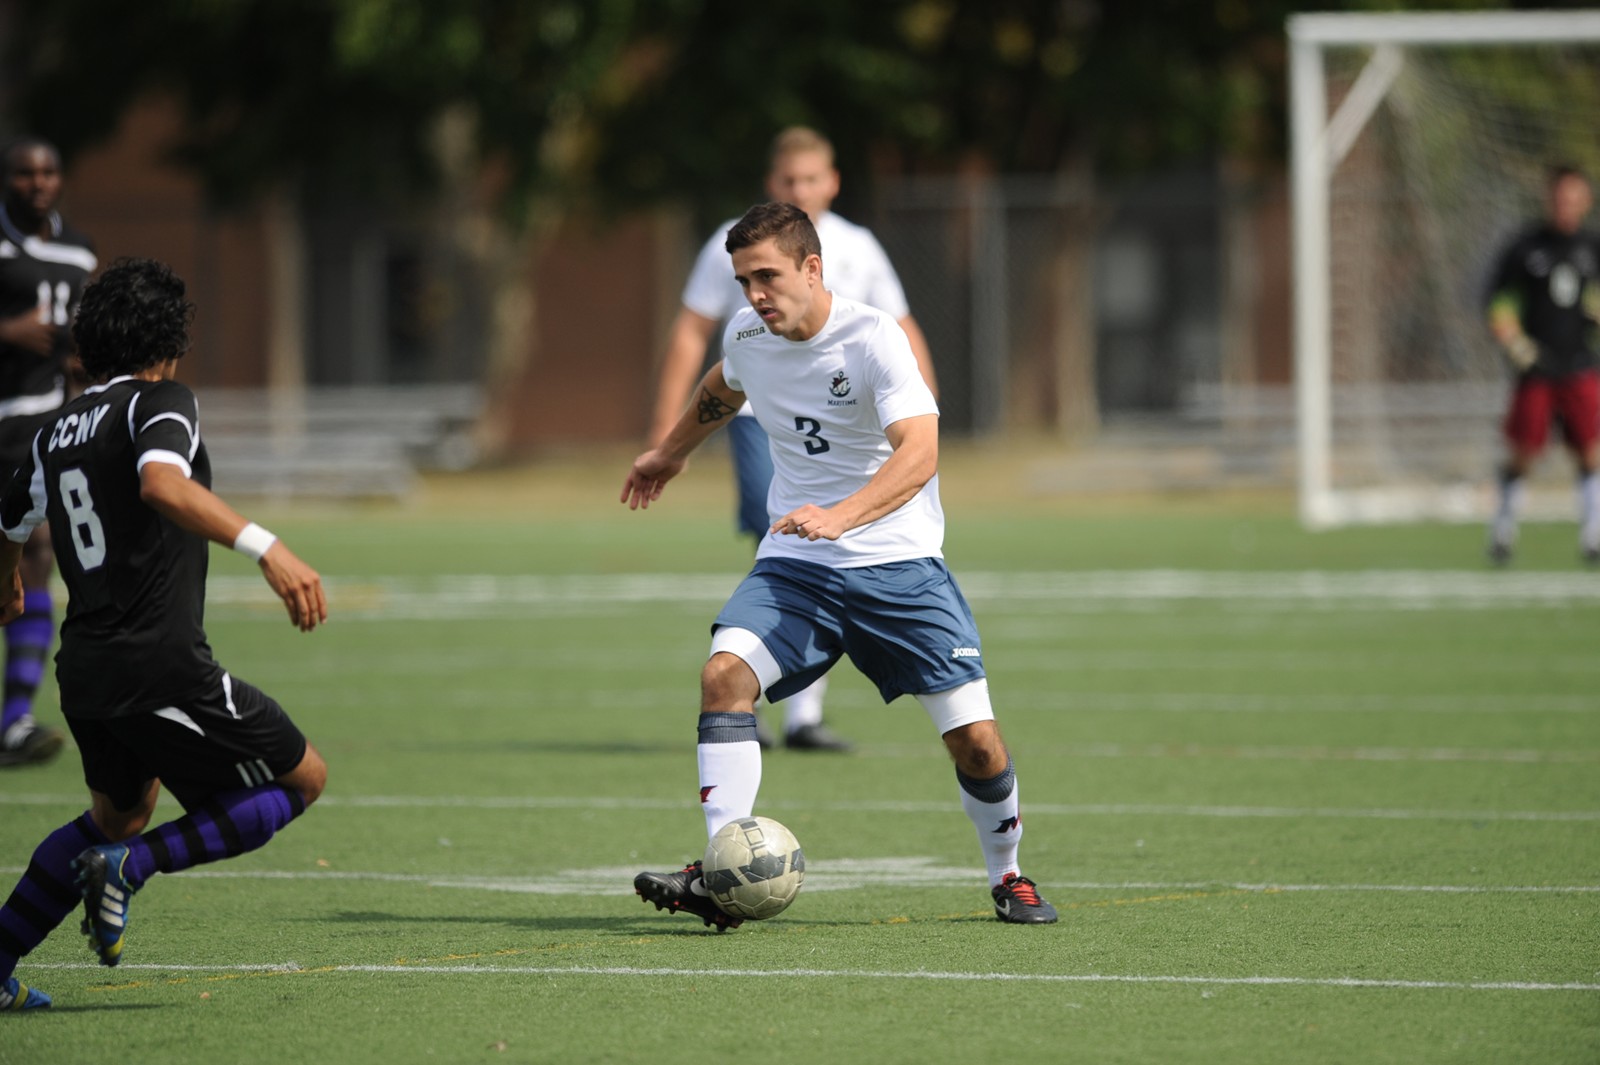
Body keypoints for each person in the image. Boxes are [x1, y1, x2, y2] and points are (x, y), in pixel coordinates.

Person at [622, 202, 1056, 929]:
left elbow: (920, 453)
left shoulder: (873, 337)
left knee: (976, 743)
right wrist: (670, 452)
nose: (755, 293)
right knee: (724, 674)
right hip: (797, 565)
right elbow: (721, 388)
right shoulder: (750, 334)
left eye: (768, 275)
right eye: (743, 279)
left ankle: (1007, 873)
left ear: (812, 268)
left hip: (899, 565)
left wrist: (843, 515)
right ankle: (723, 869)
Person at [0, 258, 328, 1012]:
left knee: (115, 812)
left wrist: (7, 582)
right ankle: (130, 866)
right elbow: (162, 483)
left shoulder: (55, 429)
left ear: (87, 346)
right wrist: (267, 547)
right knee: (301, 777)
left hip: (84, 671)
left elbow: (9, 519)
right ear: (170, 343)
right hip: (161, 667)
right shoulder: (161, 401)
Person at [649, 127, 938, 753]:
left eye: (812, 180)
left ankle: (802, 711)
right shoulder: (736, 245)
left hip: (857, 426)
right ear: (772, 183)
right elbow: (696, 340)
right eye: (789, 181)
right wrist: (666, 441)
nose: (801, 190)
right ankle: (765, 682)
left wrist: (925, 414)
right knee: (776, 527)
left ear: (831, 183)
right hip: (766, 419)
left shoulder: (859, 247)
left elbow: (904, 327)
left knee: (836, 538)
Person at [0, 136, 96, 766]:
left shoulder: (79, 252)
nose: (39, 182)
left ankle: (15, 720)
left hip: (37, 421)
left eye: (49, 171)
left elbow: (81, 345)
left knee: (36, 550)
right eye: (26, 172)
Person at [1484, 165, 1600, 565]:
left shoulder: (1593, 247)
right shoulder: (1525, 247)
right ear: (1549, 199)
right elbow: (1497, 302)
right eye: (1559, 198)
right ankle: (1502, 527)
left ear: (1585, 202)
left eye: (1573, 199)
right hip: (1536, 368)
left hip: (1581, 365)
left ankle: (1593, 532)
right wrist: (1514, 341)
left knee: (1590, 448)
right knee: (1524, 451)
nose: (1565, 206)